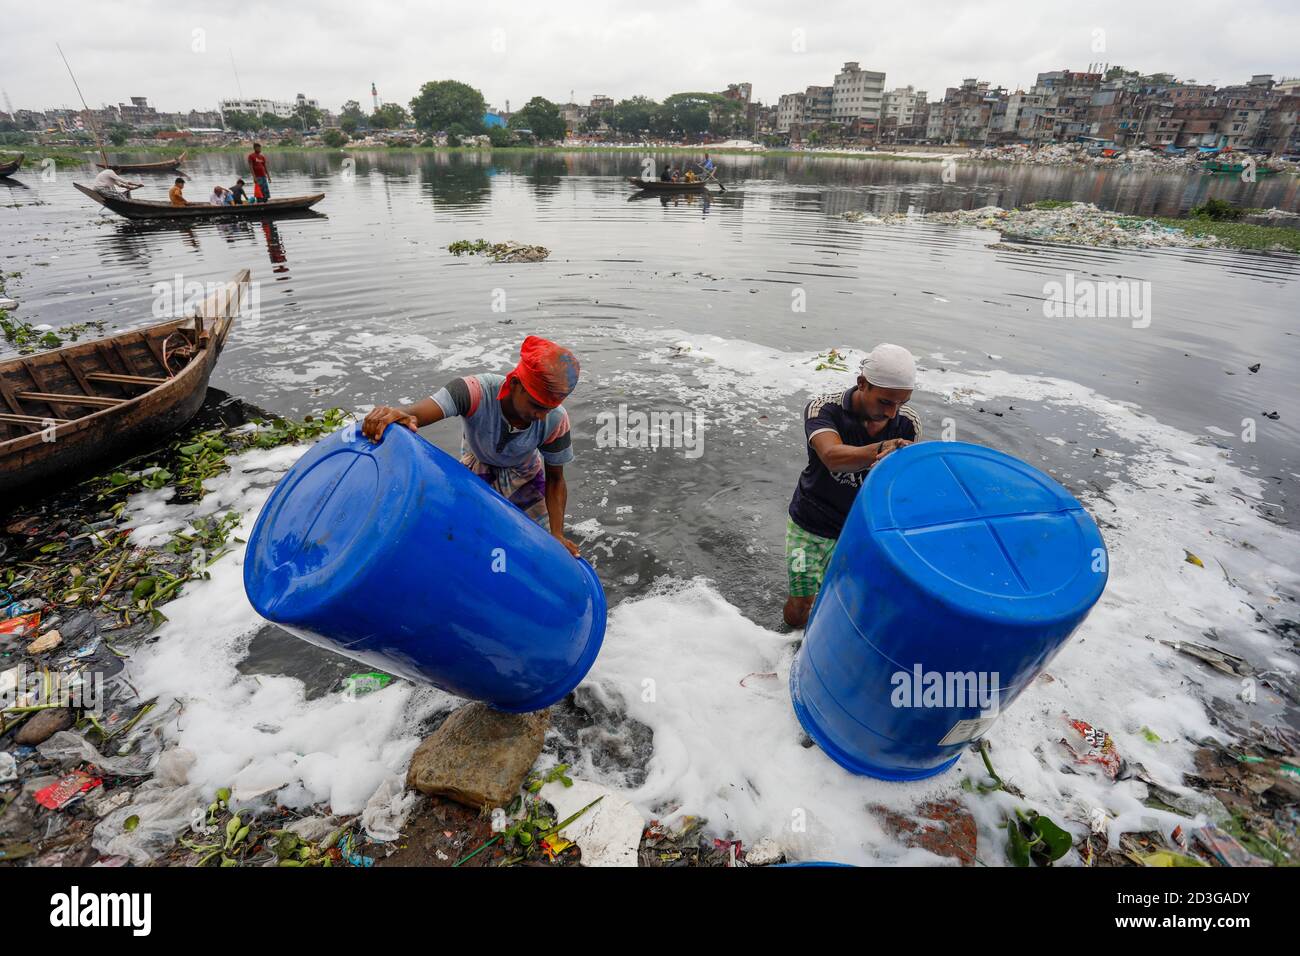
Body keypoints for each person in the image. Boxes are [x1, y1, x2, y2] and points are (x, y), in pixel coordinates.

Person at [361, 335, 583, 557]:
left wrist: (557, 534)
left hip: (524, 475)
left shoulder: (556, 419)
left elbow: (555, 479)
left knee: (538, 549)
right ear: (515, 384)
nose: (541, 416)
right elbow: (414, 415)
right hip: (477, 469)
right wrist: (393, 415)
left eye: (548, 408)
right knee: (469, 543)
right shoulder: (475, 391)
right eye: (536, 405)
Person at [783, 343, 922, 629]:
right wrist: (881, 448)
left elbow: (900, 486)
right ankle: (789, 645)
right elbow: (832, 457)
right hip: (811, 525)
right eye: (885, 402)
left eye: (901, 403)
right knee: (800, 607)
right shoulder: (824, 408)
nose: (894, 413)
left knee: (850, 599)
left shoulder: (908, 424)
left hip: (861, 530)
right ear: (862, 384)